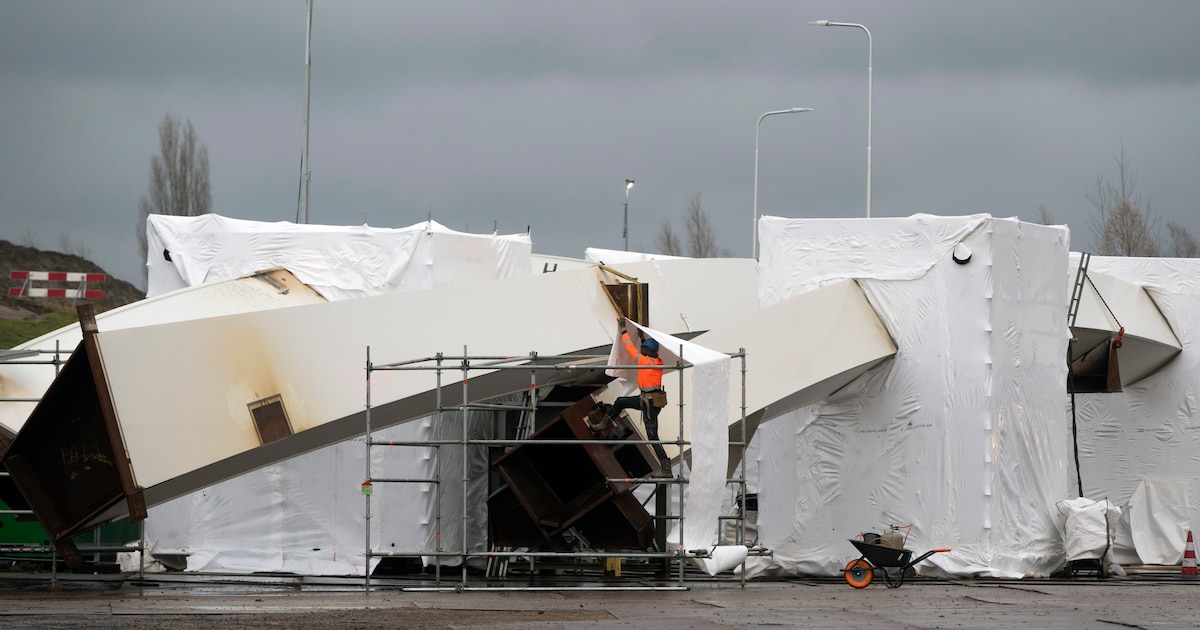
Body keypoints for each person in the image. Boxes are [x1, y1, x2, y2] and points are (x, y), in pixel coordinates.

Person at [603, 317, 672, 478]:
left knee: (652, 436)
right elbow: (644, 348)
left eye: (644, 348)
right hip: (648, 400)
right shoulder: (656, 361)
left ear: (647, 352)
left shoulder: (645, 361)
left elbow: (629, 348)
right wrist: (641, 336)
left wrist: (623, 330)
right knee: (621, 402)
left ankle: (666, 469)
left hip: (649, 404)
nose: (641, 350)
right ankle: (604, 423)